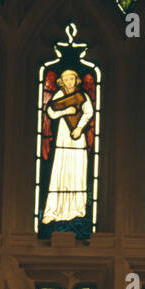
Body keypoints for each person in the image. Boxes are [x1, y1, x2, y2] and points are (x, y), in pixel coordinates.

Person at [41, 69, 94, 226]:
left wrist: (79, 128)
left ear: (76, 80)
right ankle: (55, 210)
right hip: (64, 134)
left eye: (72, 78)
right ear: (62, 82)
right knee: (61, 168)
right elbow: (50, 112)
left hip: (77, 136)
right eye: (66, 79)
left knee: (78, 168)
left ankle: (77, 209)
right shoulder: (59, 94)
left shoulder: (82, 94)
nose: (69, 82)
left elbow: (89, 112)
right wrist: (65, 111)